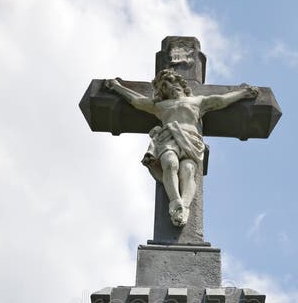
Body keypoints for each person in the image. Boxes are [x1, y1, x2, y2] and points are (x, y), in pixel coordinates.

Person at [105, 69, 258, 226]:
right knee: (170, 163)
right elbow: (137, 100)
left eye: (173, 83)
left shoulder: (198, 101)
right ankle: (175, 202)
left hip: (191, 141)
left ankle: (184, 207)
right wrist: (117, 87)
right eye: (165, 86)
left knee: (188, 170)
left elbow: (221, 100)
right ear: (162, 91)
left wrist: (243, 93)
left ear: (181, 84)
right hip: (168, 138)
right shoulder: (160, 105)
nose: (171, 87)